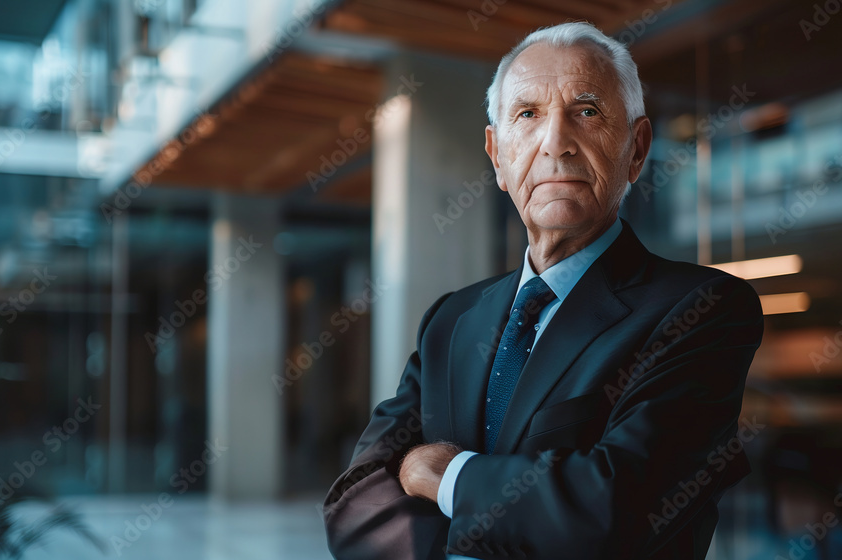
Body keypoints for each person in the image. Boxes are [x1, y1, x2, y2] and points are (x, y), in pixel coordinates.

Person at [322, 21, 764, 560]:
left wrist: (448, 476)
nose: (556, 141)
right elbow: (355, 503)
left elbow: (614, 511)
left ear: (637, 148)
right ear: (497, 155)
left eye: (587, 111)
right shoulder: (451, 321)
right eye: (527, 115)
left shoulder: (701, 310)